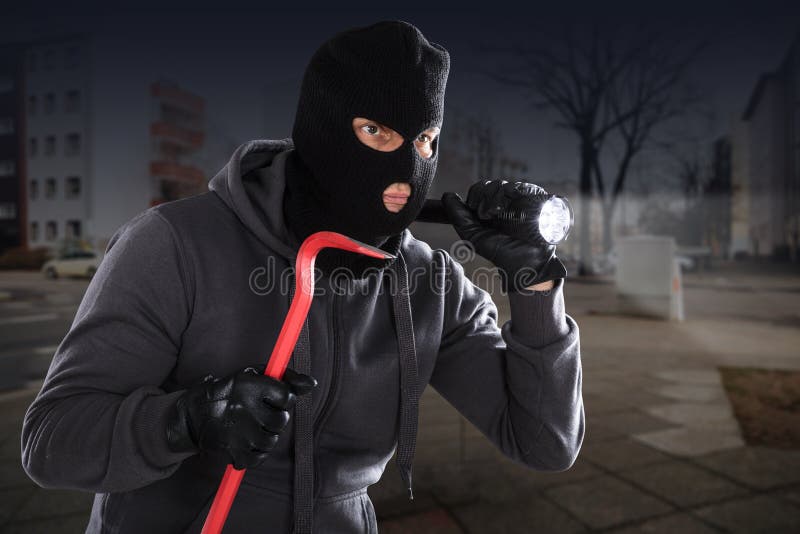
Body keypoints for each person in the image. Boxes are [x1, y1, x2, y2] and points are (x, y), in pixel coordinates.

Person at [21, 20, 584, 533]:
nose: (409, 167)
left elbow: (545, 443)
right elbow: (50, 442)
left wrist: (536, 288)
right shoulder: (174, 244)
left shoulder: (428, 282)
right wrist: (185, 420)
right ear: (325, 129)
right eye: (377, 132)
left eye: (424, 140)